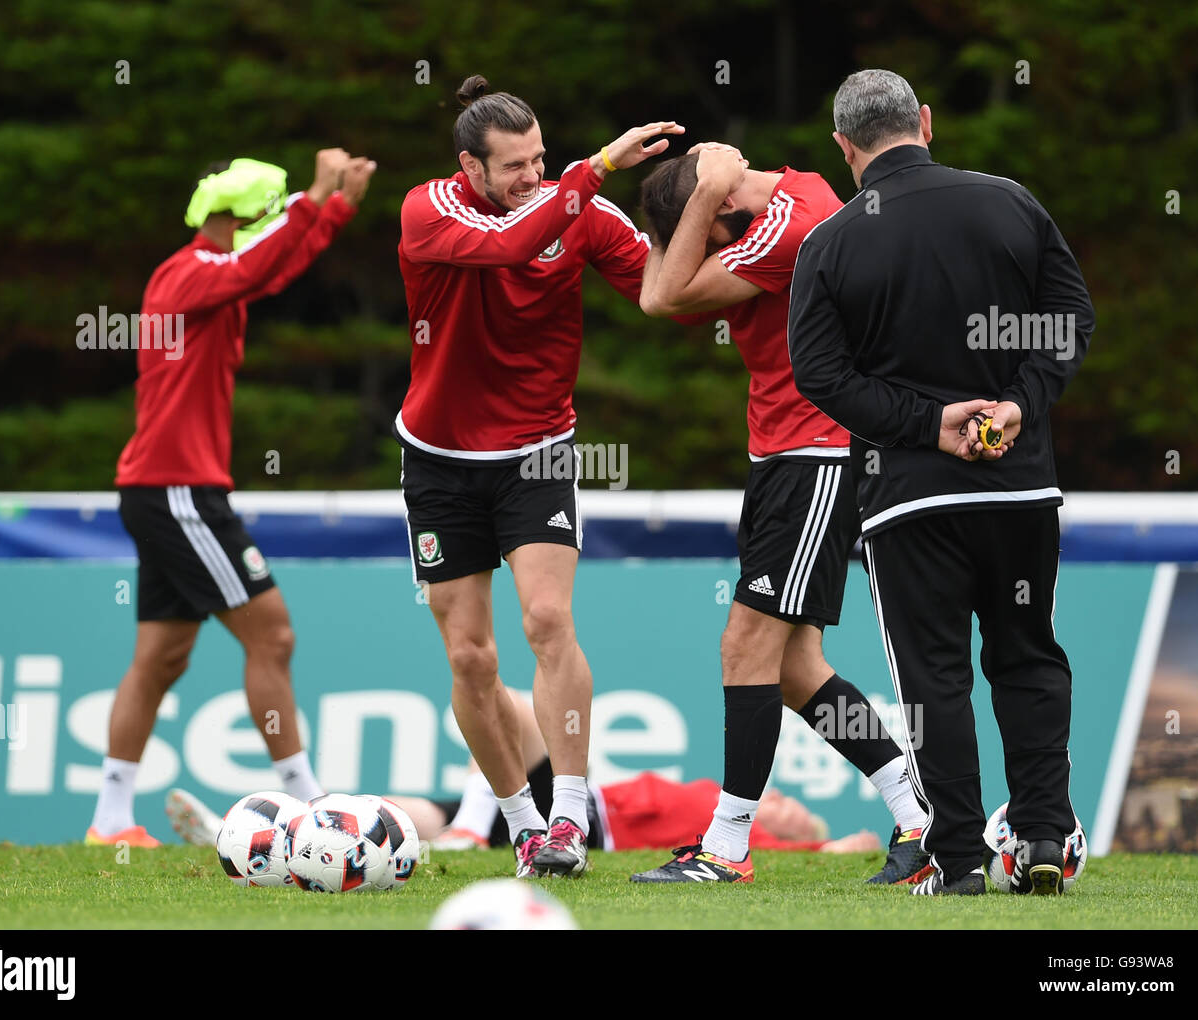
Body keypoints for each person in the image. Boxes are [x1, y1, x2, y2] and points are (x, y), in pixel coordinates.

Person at [787, 69, 1095, 895]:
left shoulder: (831, 241)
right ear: (926, 120)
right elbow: (1070, 320)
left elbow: (817, 373)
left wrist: (928, 424)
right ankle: (1039, 838)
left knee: (935, 679)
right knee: (1028, 658)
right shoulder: (1009, 202)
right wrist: (1021, 407)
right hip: (1020, 488)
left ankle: (957, 858)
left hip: (912, 496)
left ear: (843, 148)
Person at [395, 74, 683, 879]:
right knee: (471, 660)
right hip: (440, 460)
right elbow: (506, 245)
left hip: (539, 452)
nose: (535, 176)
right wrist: (593, 171)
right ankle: (522, 824)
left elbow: (665, 291)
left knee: (549, 621)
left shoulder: (580, 208)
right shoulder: (430, 210)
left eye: (542, 160)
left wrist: (748, 246)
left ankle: (570, 817)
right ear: (469, 166)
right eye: (516, 166)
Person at [625, 146, 930, 885]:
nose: (702, 244)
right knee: (793, 669)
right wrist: (683, 198)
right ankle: (922, 816)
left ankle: (726, 847)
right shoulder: (776, 204)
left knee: (744, 646)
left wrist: (698, 197)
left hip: (819, 454)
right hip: (783, 456)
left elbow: (662, 299)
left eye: (707, 226)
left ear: (726, 211)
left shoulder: (793, 225)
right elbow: (658, 286)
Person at [87, 150, 377, 847]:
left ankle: (108, 821)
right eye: (270, 214)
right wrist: (312, 196)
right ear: (240, 217)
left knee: (160, 658)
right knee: (272, 635)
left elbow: (272, 266)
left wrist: (331, 210)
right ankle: (308, 806)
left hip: (165, 491)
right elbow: (258, 265)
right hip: (178, 493)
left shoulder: (210, 275)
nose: (276, 225)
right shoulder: (192, 273)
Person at [164, 687, 881, 858]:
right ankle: (273, 832)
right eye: (779, 798)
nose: (777, 800)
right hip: (578, 796)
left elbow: (857, 846)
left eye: (789, 807)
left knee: (501, 702)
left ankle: (481, 826)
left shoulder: (771, 846)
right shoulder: (724, 796)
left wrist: (832, 840)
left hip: (584, 825)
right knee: (395, 812)